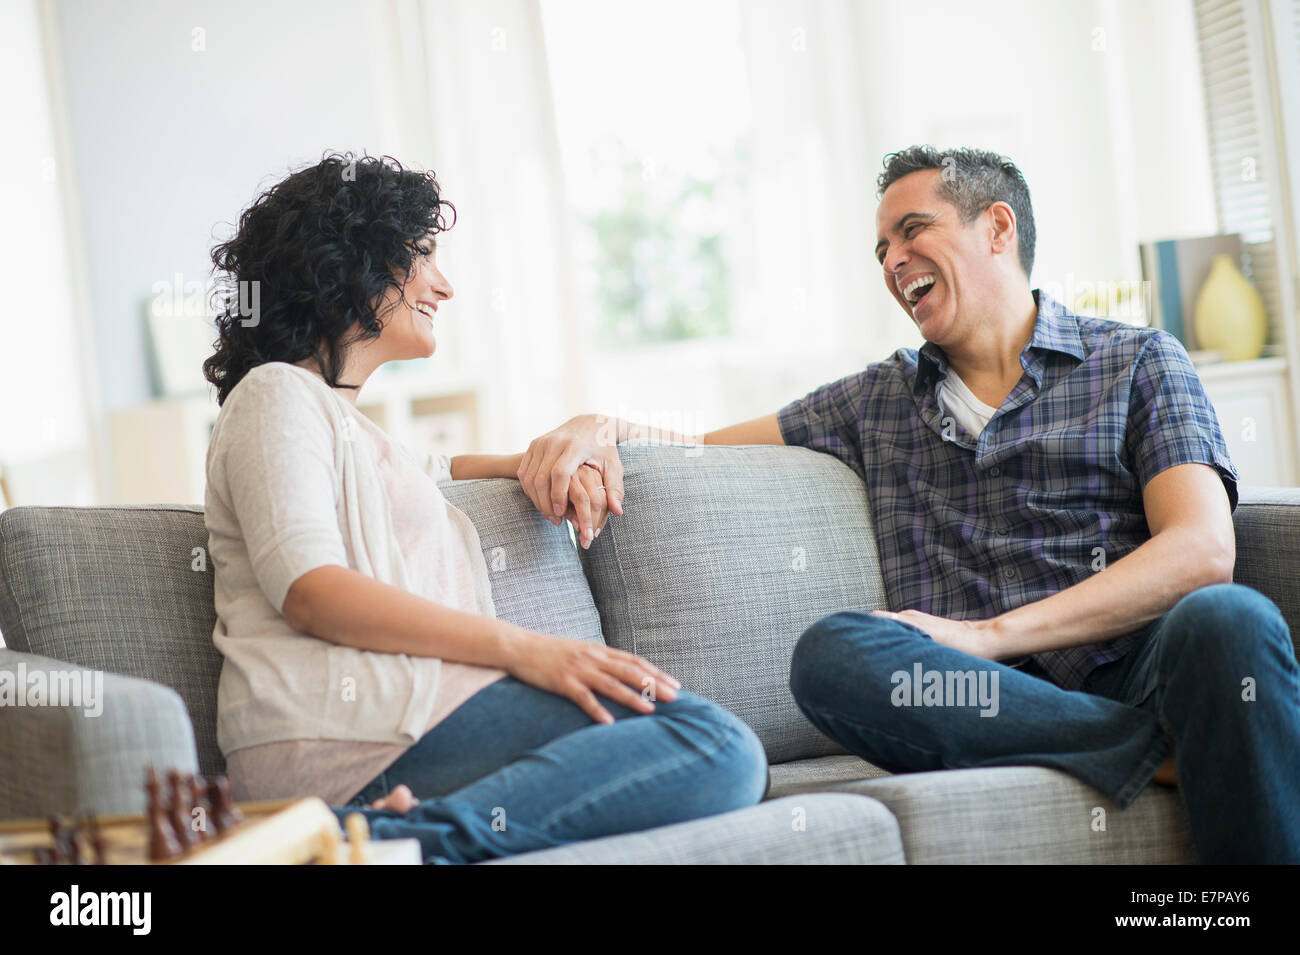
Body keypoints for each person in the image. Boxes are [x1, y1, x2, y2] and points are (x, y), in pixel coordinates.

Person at [518, 145, 1300, 864]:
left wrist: (987, 636)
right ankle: (1152, 750)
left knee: (1231, 619)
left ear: (998, 228)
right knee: (832, 654)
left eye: (912, 230)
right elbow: (688, 441)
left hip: (1134, 666)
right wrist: (594, 428)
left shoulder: (1137, 361)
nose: (893, 261)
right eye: (882, 249)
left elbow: (1202, 549)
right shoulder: (877, 399)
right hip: (967, 701)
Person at [201, 152, 768, 865]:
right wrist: (532, 652)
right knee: (714, 745)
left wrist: (572, 445)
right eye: (424, 255)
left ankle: (399, 838)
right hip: (344, 736)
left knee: (708, 743)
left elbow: (440, 468)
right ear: (353, 260)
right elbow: (312, 591)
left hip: (402, 725)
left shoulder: (357, 434)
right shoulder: (274, 397)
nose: (444, 283)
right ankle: (370, 842)